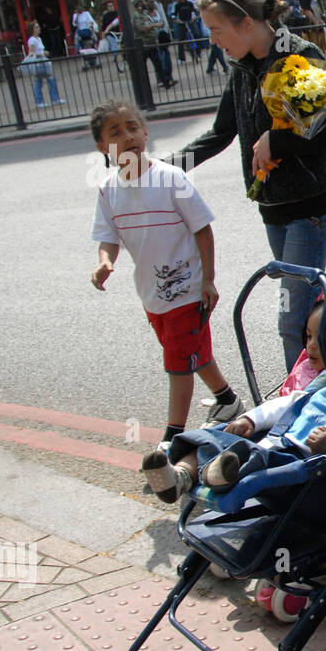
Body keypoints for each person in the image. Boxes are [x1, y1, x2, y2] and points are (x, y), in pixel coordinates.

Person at [167, 0, 326, 371]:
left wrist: (276, 142)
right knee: (301, 314)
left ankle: (298, 408)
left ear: (246, 22)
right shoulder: (242, 68)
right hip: (274, 210)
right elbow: (220, 132)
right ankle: (316, 391)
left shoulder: (299, 56)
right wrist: (164, 168)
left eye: (216, 30)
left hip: (309, 208)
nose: (213, 40)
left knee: (291, 322)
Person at [89, 99, 245, 445]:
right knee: (191, 352)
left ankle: (173, 435)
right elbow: (107, 236)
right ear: (102, 146)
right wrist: (105, 261)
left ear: (145, 132)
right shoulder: (108, 190)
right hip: (152, 295)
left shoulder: (171, 178)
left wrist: (208, 279)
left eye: (133, 127)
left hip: (188, 292)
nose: (128, 136)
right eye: (115, 132)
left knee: (178, 363)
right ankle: (228, 401)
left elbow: (202, 229)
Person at [141, 346, 326, 504]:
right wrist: (249, 419)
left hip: (298, 475)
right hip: (265, 447)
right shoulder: (316, 396)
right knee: (209, 435)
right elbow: (280, 407)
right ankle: (180, 476)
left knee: (252, 457)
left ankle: (218, 472)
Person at [131, 0, 174, 88]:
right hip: (144, 44)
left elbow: (160, 24)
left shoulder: (145, 14)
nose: (144, 3)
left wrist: (152, 25)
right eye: (142, 2)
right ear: (138, 4)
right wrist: (154, 25)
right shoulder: (137, 16)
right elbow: (143, 28)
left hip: (152, 43)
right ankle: (143, 87)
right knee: (142, 67)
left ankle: (166, 83)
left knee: (158, 64)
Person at [23, 22, 64, 108]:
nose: (39, 28)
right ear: (32, 29)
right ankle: (40, 101)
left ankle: (54, 99)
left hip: (43, 61)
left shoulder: (39, 39)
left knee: (50, 79)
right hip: (38, 62)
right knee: (39, 82)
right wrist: (42, 53)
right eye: (37, 27)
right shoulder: (32, 40)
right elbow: (31, 53)